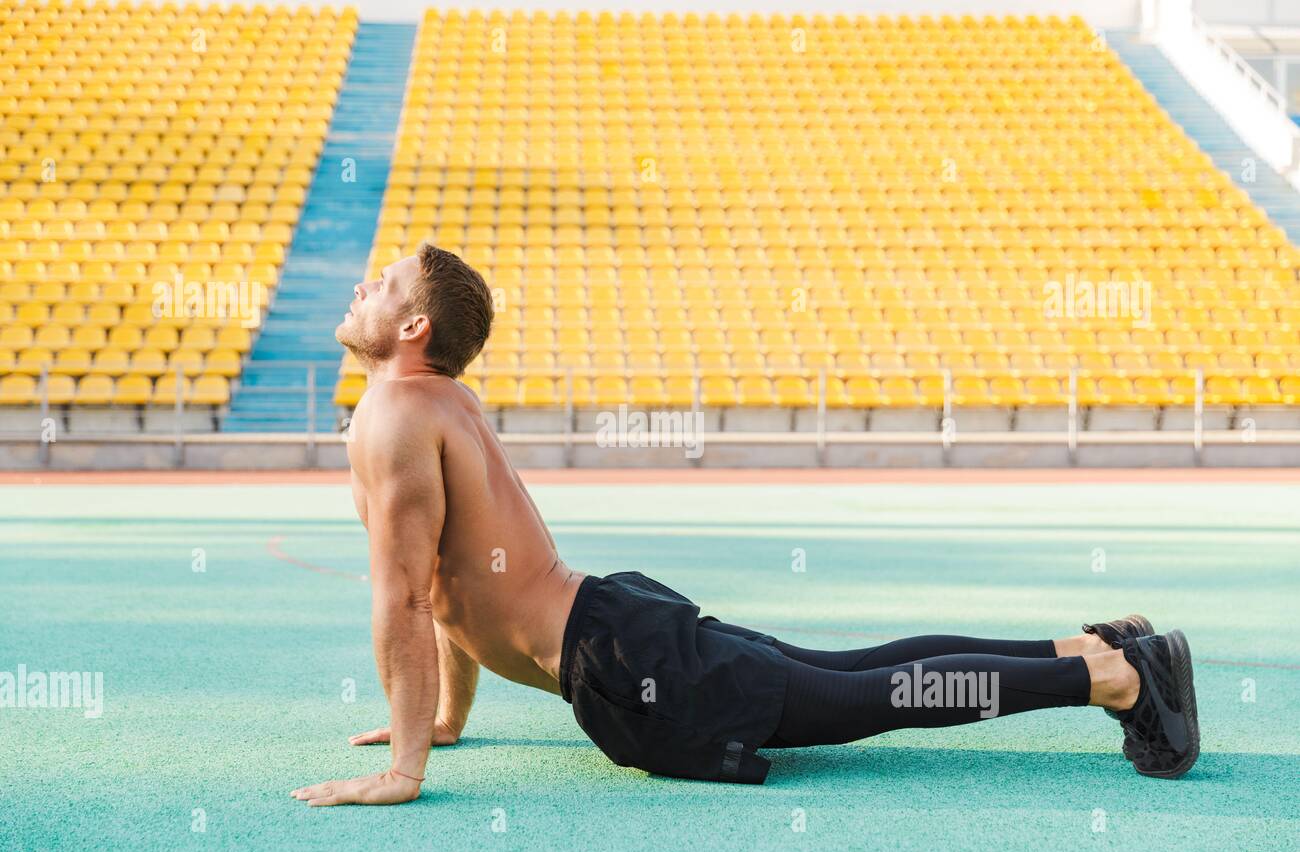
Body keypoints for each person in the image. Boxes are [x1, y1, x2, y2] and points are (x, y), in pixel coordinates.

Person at [289, 244, 1200, 807]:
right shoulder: (433, 402)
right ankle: (1087, 645)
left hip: (624, 658)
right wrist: (444, 719)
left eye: (384, 283)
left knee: (865, 696)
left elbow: (408, 597)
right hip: (616, 625)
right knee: (854, 672)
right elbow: (449, 585)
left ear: (412, 325)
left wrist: (407, 767)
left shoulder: (396, 416)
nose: (364, 284)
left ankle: (1113, 679)